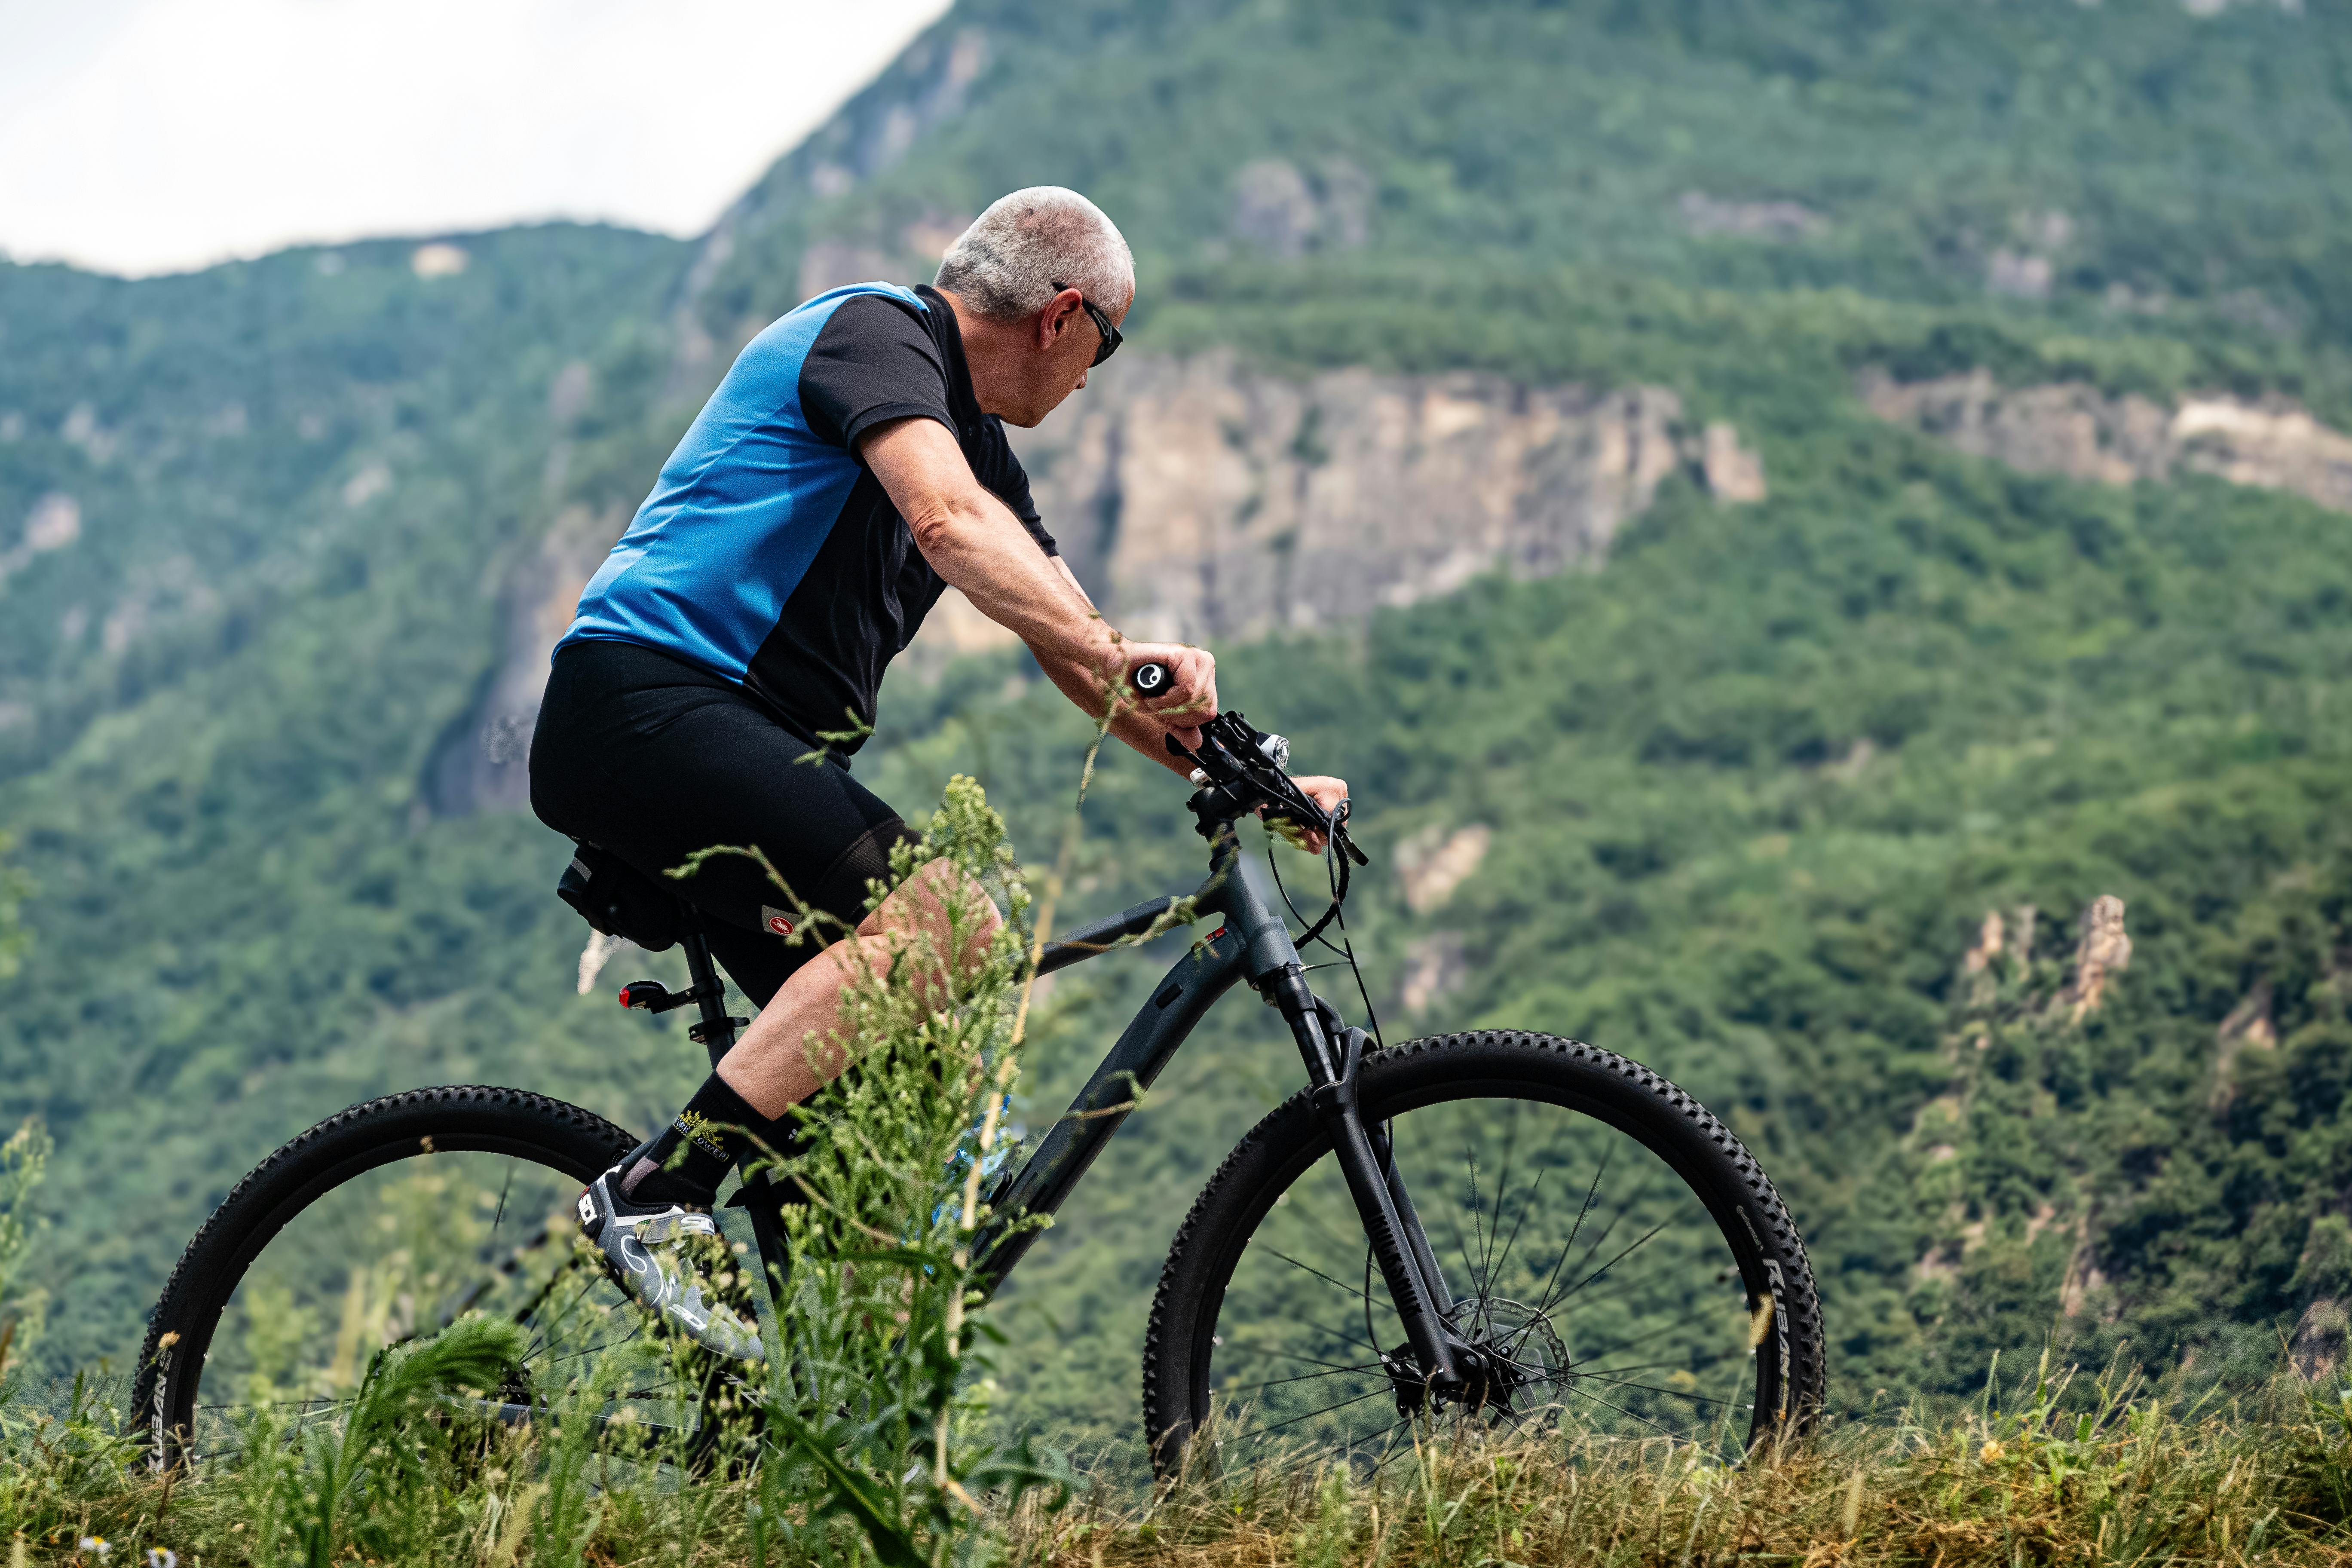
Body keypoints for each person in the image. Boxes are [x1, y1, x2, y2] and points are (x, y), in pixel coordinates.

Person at [530, 187, 1348, 1358]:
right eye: (1103, 351)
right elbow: (949, 529)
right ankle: (656, 1196)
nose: (1091, 380)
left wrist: (1252, 774)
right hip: (645, 706)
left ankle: (805, 1422)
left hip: (725, 744)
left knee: (880, 1112)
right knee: (951, 924)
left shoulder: (980, 452)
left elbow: (1085, 650)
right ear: (1064, 316)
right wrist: (1120, 656)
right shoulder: (873, 334)